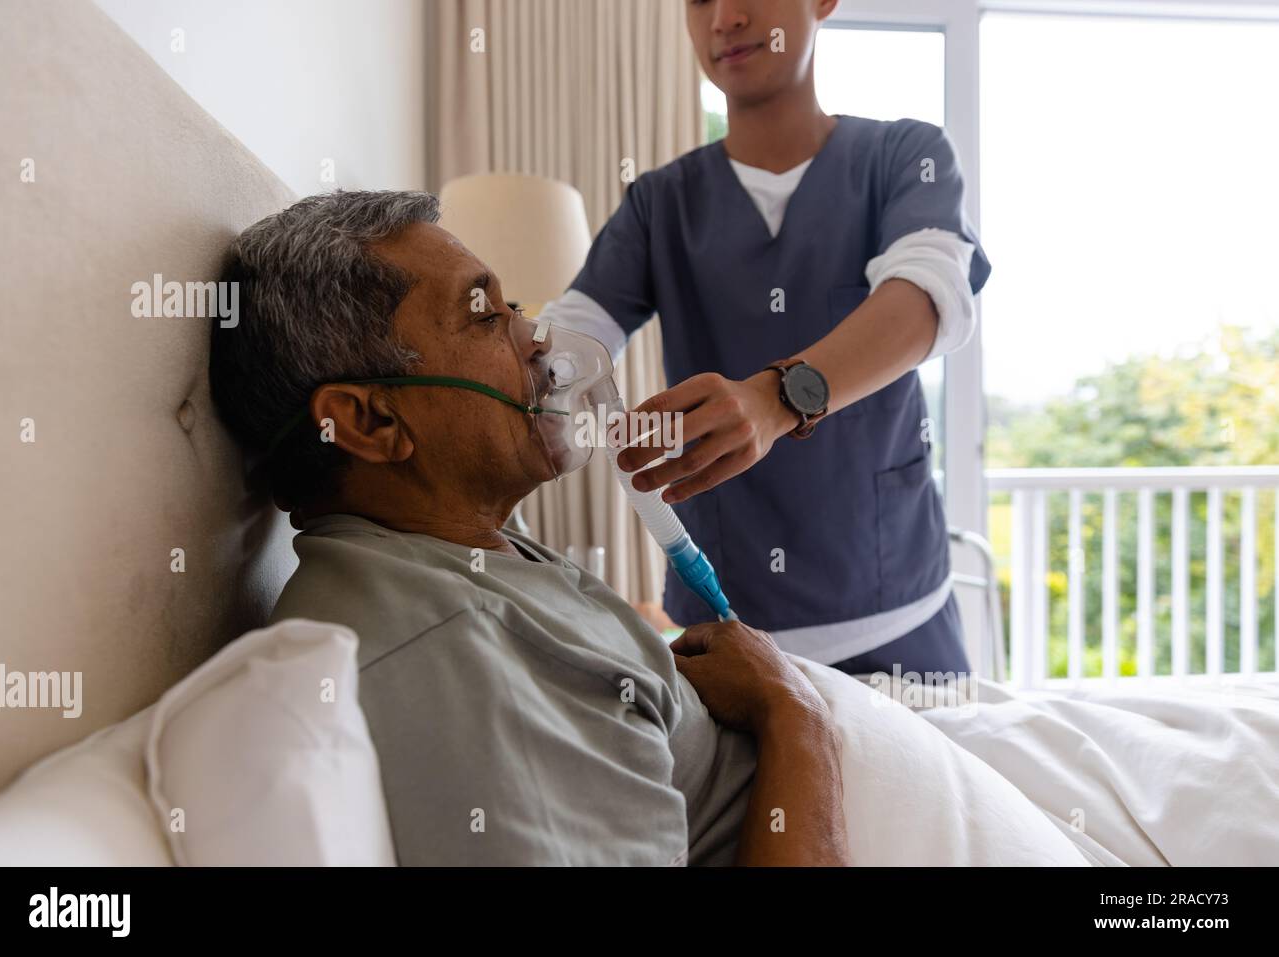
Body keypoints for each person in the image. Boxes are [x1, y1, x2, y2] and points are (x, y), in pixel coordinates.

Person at [209, 189, 847, 866]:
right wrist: (797, 715)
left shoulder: (459, 543)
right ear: (370, 422)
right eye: (483, 314)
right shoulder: (456, 657)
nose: (537, 337)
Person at [541, 0, 991, 676]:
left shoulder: (905, 157)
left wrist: (778, 398)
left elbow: (928, 298)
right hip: (727, 636)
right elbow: (571, 336)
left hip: (898, 621)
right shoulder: (660, 204)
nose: (724, 17)